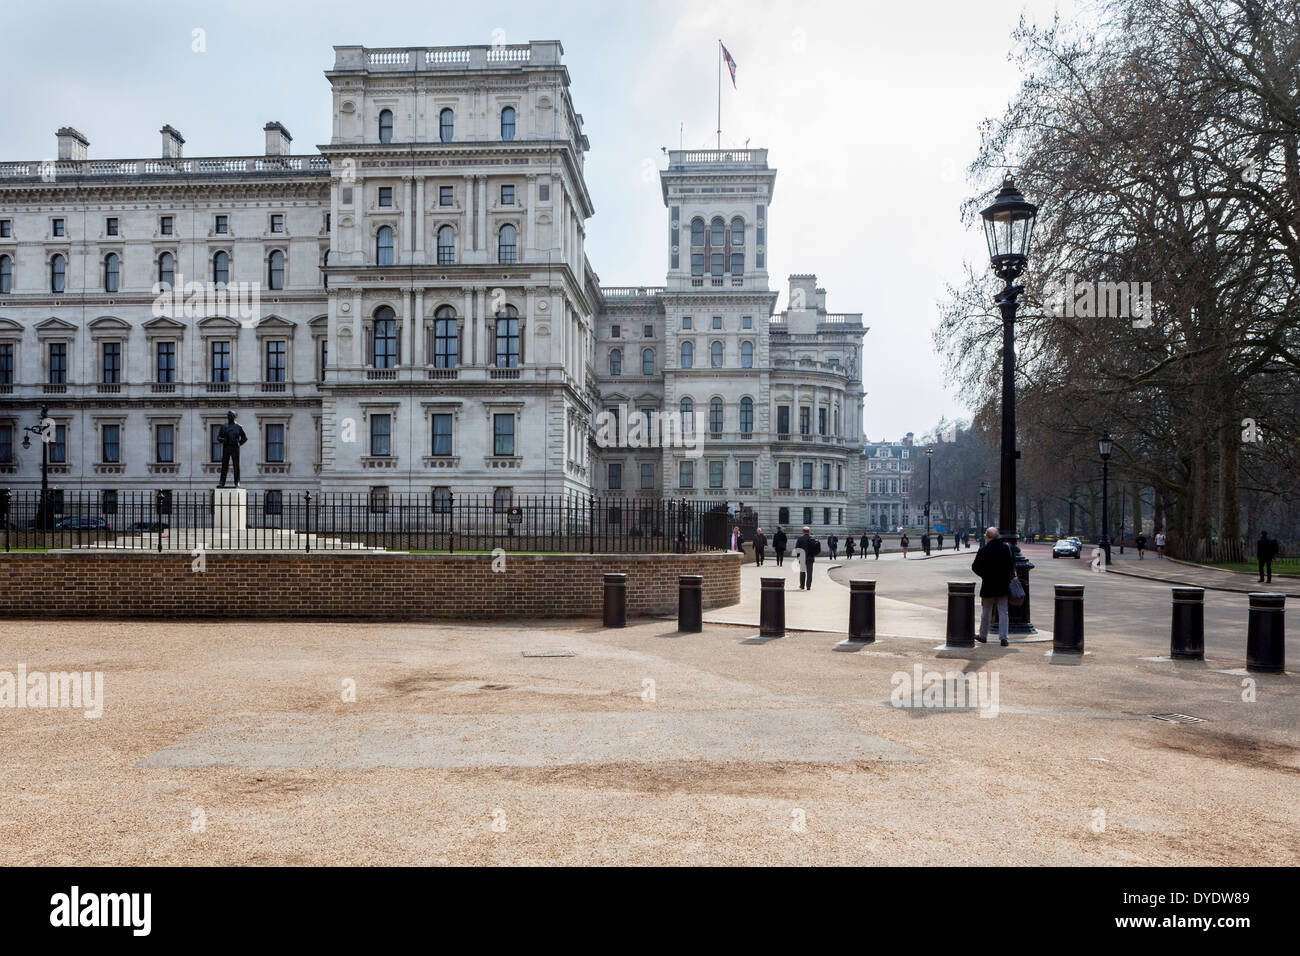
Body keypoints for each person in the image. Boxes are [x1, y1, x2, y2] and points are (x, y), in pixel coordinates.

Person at [972, 526, 1014, 646]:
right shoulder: (1006, 548)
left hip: (988, 584)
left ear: (988, 537)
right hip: (1003, 585)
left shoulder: (983, 550)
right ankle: (1003, 638)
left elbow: (975, 567)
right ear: (998, 536)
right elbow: (1011, 566)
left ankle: (983, 635)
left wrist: (984, 575)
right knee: (1003, 612)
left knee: (986, 612)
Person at [216, 411, 249, 488]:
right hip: (226, 447)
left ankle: (237, 482)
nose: (228, 417)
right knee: (224, 465)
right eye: (228, 415)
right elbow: (218, 437)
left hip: (235, 448)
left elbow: (244, 438)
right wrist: (222, 440)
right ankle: (222, 482)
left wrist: (238, 444)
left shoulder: (238, 427)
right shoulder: (224, 426)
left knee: (236, 465)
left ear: (234, 417)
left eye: (230, 416)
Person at [795, 525, 820, 590]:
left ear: (803, 531)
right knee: (809, 572)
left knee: (802, 572)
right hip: (810, 557)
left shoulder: (800, 538)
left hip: (802, 557)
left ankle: (802, 585)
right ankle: (808, 586)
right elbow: (817, 548)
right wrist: (814, 555)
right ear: (809, 531)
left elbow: (797, 548)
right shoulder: (813, 538)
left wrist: (798, 557)